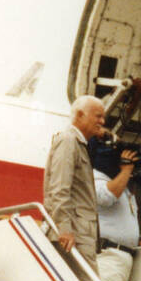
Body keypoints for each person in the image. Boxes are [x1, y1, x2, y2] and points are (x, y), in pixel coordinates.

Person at [43, 96, 105, 272]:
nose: (102, 121)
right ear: (80, 114)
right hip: (73, 234)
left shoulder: (78, 144)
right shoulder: (69, 141)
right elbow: (59, 188)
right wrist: (64, 228)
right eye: (98, 116)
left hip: (79, 234)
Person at [92, 141, 141, 281]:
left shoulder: (123, 183)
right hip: (108, 256)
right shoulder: (96, 175)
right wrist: (126, 170)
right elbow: (105, 197)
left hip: (121, 260)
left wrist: (129, 173)